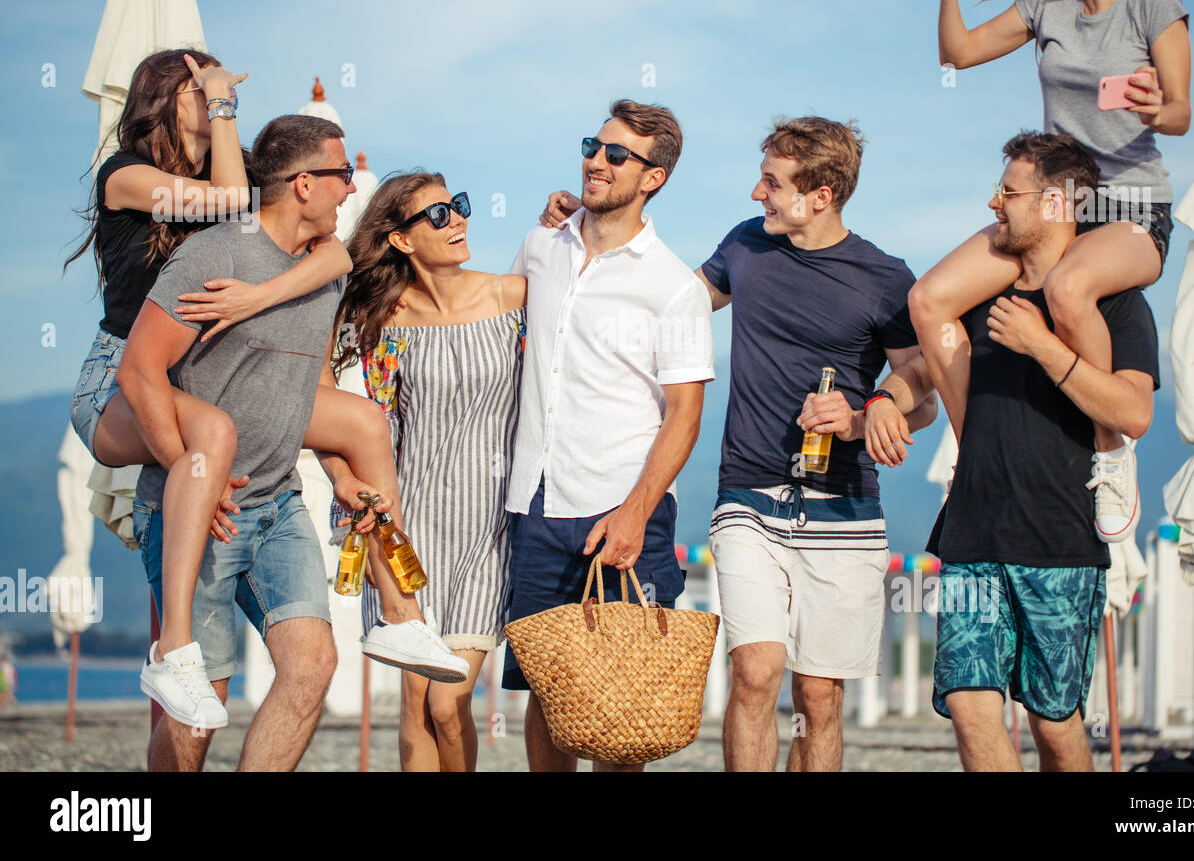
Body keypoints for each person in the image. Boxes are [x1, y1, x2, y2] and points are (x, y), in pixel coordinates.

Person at [66, 51, 457, 734]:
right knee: (210, 437)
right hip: (121, 375)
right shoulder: (127, 176)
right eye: (204, 90)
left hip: (199, 381)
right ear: (168, 98)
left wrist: (260, 295)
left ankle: (401, 614)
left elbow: (324, 248)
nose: (221, 100)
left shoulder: (250, 200)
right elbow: (236, 210)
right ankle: (174, 648)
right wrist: (199, 474)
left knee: (364, 423)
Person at [545, 116, 935, 771]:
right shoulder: (746, 246)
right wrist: (585, 236)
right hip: (748, 497)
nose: (757, 194)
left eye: (772, 183)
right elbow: (670, 302)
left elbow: (922, 382)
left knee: (819, 697)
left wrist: (873, 407)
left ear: (821, 195)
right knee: (756, 672)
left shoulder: (884, 277)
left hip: (844, 507)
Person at [866, 132, 1158, 771]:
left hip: (1059, 535)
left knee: (1054, 724)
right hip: (972, 530)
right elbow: (922, 369)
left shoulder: (1116, 303)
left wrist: (1042, 345)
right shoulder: (977, 300)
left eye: (1010, 192)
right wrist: (886, 397)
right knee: (970, 706)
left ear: (1056, 204)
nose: (994, 203)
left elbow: (1133, 412)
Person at [913, 0, 1189, 543]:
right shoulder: (1045, 3)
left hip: (1131, 206)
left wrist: (1156, 108)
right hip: (1057, 203)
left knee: (1068, 289)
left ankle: (1110, 446)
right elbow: (956, 54)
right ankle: (973, 450)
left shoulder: (1152, 3)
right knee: (930, 300)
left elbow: (1181, 112)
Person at [507, 100, 713, 772]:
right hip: (533, 504)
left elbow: (685, 412)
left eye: (617, 154)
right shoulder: (540, 246)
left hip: (622, 509)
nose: (597, 159)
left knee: (622, 695)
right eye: (594, 145)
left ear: (652, 177)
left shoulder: (674, 286)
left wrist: (635, 512)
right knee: (546, 691)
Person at [334, 171, 525, 771]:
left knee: (447, 702)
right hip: (407, 528)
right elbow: (327, 399)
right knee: (414, 705)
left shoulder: (513, 296)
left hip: (489, 527)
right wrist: (346, 481)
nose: (459, 220)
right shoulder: (380, 321)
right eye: (438, 215)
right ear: (402, 241)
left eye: (459, 206)